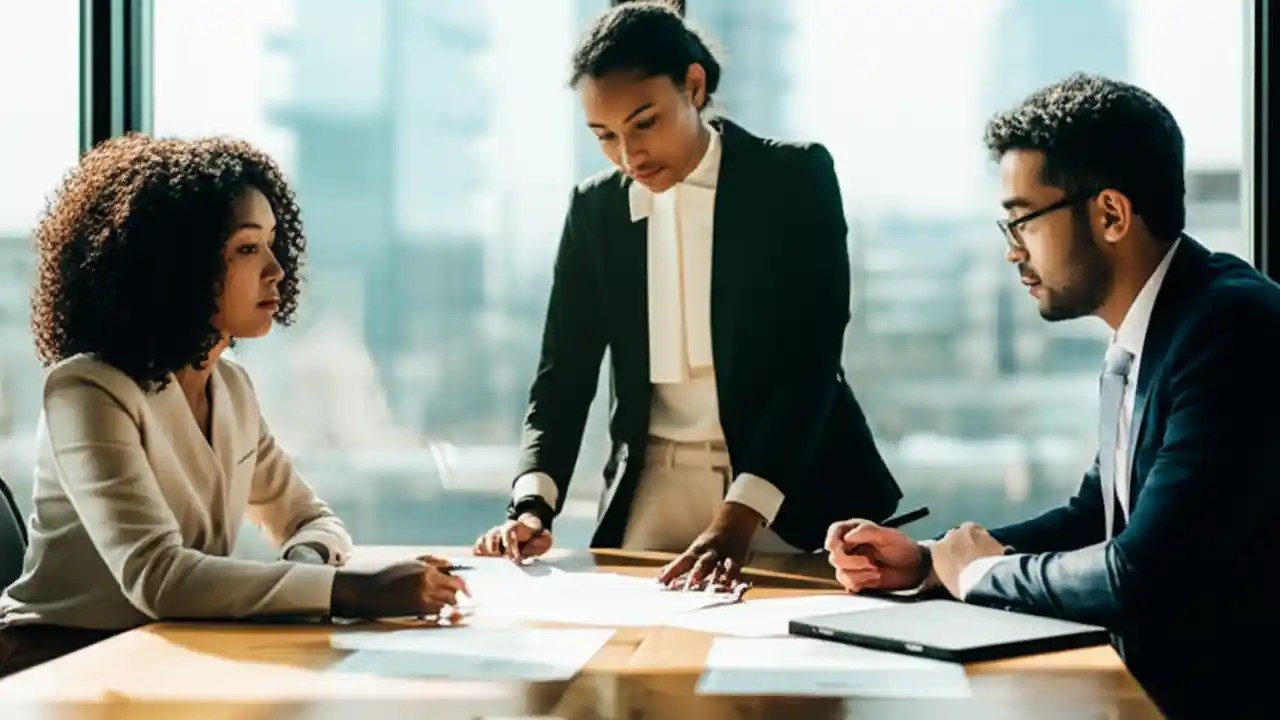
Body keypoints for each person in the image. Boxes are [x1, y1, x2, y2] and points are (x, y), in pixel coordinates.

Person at [825, 74, 1275, 717]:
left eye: (1023, 223)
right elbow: (1096, 516)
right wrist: (930, 562)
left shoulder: (1231, 330)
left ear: (1112, 215)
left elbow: (1138, 574)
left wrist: (977, 575)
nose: (1012, 254)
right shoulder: (1152, 332)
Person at [0, 135, 467, 678]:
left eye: (273, 243)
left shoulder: (233, 388)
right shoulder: (87, 390)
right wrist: (354, 591)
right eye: (248, 249)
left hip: (167, 654)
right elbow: (158, 577)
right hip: (55, 666)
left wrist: (307, 565)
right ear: (180, 267)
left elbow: (312, 520)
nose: (277, 270)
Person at [474, 1, 900, 586]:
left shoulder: (795, 180)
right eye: (604, 136)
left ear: (694, 87)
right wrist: (532, 503)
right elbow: (562, 377)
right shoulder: (595, 209)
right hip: (652, 496)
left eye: (645, 122)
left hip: (789, 498)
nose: (629, 156)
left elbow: (811, 365)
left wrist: (739, 515)